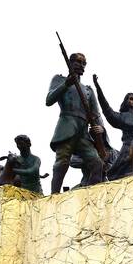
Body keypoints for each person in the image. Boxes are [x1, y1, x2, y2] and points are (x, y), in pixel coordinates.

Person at [45, 52, 107, 193]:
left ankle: (90, 193)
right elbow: (49, 100)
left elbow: (96, 115)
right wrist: (66, 84)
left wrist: (101, 128)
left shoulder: (88, 90)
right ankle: (53, 195)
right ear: (70, 62)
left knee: (97, 163)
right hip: (66, 127)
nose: (81, 65)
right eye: (78, 62)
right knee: (62, 162)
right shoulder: (59, 79)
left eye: (84, 63)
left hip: (83, 132)